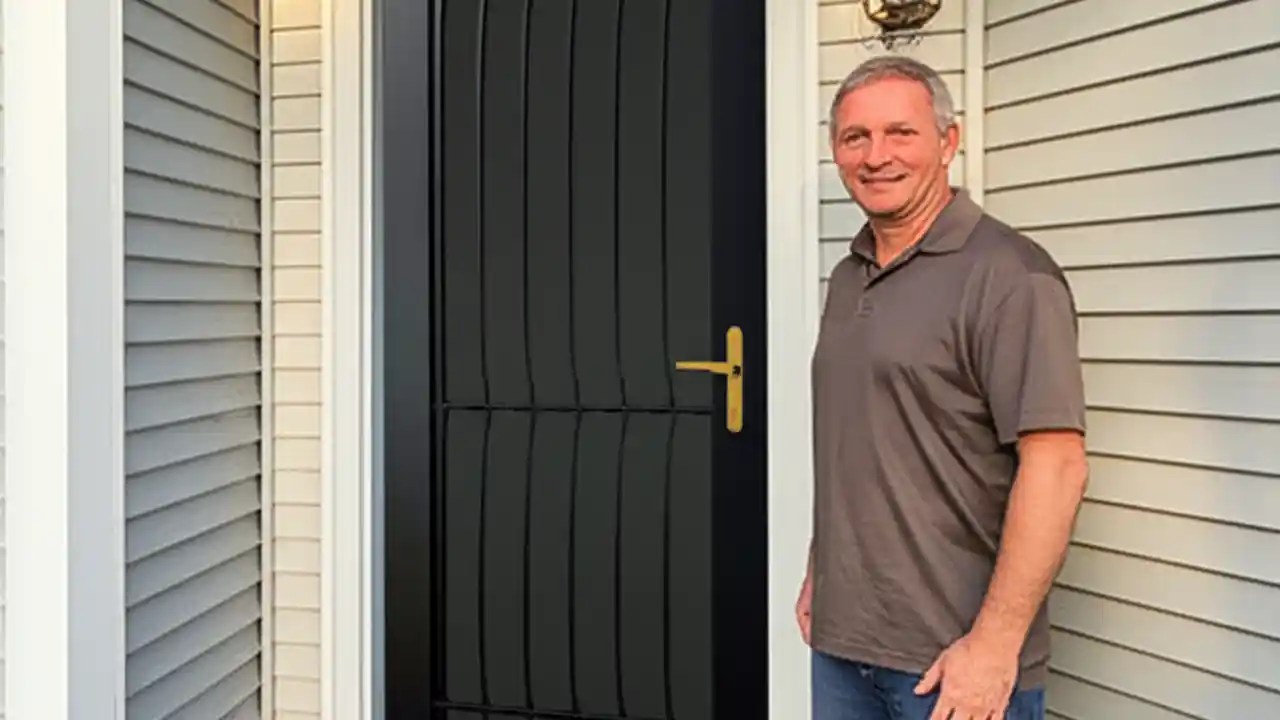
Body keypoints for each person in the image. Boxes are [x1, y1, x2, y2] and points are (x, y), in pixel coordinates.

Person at [799, 55, 1090, 720]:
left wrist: (994, 644)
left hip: (953, 664)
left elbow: (1058, 467)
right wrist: (822, 569)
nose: (876, 156)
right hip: (844, 648)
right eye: (855, 138)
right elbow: (861, 435)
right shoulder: (851, 274)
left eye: (900, 133)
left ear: (948, 141)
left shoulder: (1012, 278)